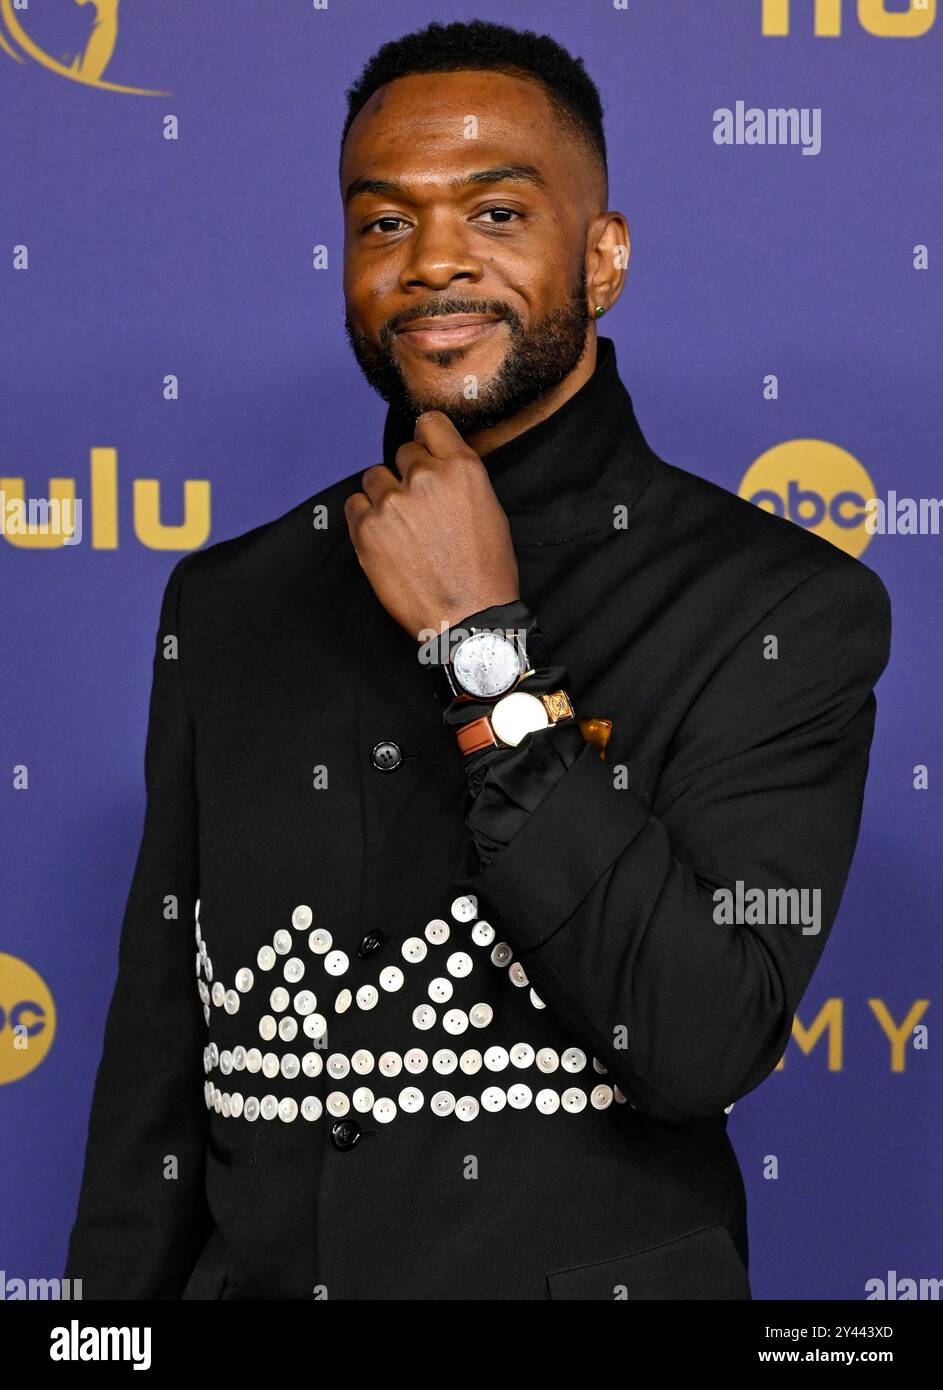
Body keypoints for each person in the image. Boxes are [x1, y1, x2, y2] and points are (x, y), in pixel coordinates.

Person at [64, 19, 891, 1300]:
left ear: (601, 258)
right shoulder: (229, 602)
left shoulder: (778, 607)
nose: (434, 261)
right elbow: (154, 1089)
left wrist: (481, 652)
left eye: (496, 213)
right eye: (384, 223)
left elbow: (696, 1037)